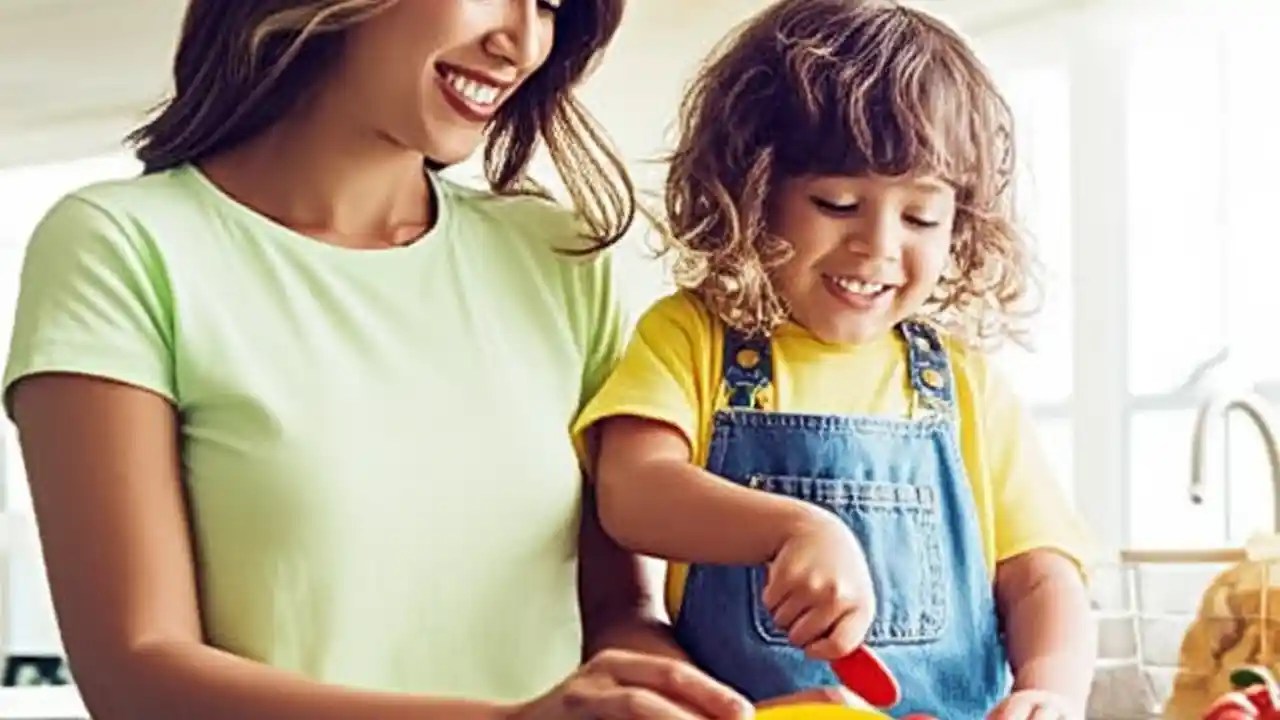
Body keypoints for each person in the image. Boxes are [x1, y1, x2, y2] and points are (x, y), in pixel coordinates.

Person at [1, 1, 789, 718]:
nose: (520, 41)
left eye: (550, 5)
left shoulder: (553, 255)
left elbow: (616, 612)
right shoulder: (124, 245)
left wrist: (700, 701)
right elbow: (134, 674)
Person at [573, 1, 1099, 718]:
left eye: (920, 216)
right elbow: (631, 492)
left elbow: (1042, 576)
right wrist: (795, 528)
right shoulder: (692, 338)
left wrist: (1051, 690)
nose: (878, 245)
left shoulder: (964, 381)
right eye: (838, 202)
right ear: (753, 190)